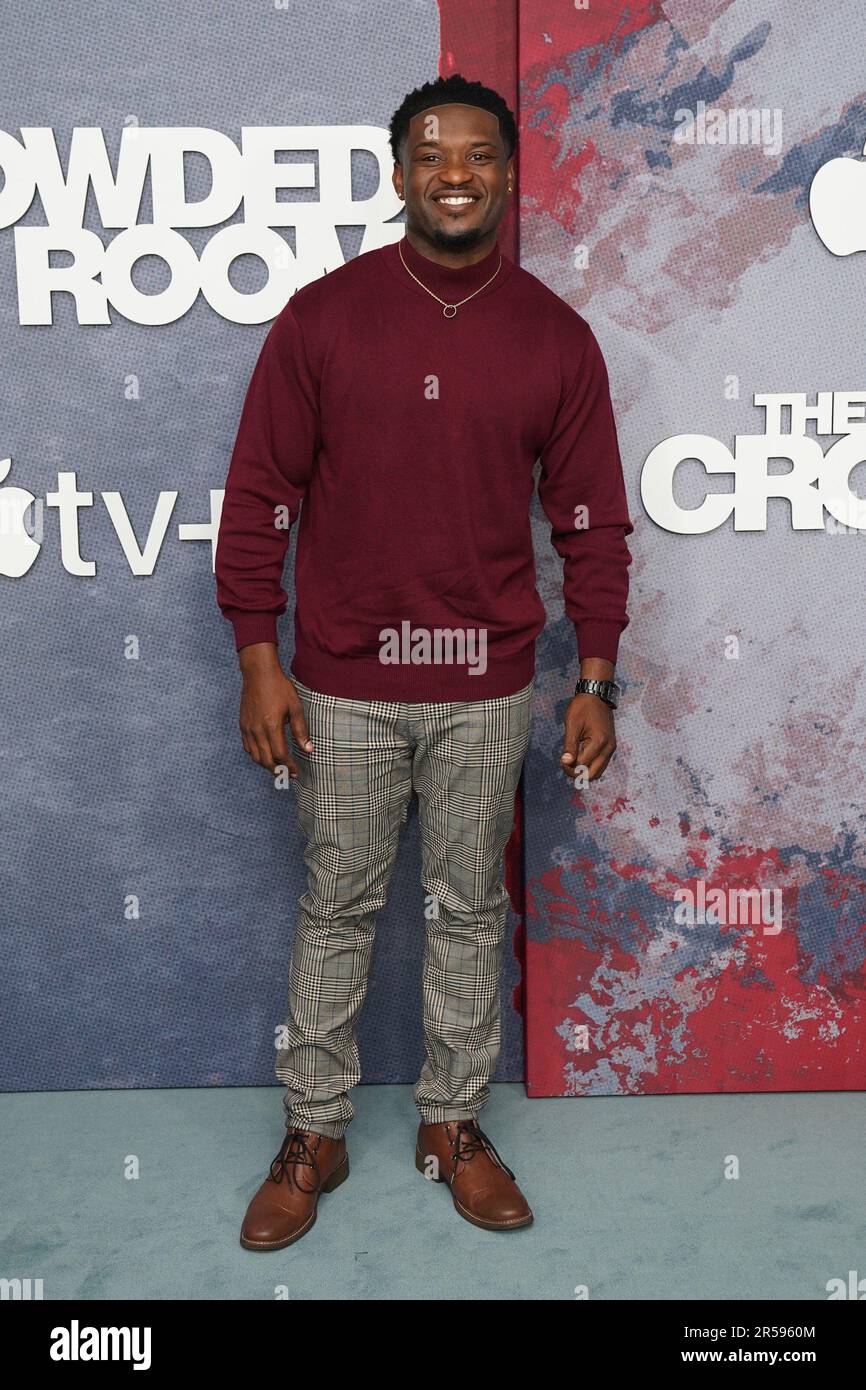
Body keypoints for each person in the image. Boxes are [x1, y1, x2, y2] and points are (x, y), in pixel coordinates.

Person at [215, 73, 633, 1250]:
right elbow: (258, 500)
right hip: (340, 681)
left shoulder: (554, 335)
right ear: (397, 174)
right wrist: (259, 655)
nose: (455, 171)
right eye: (430, 152)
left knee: (466, 910)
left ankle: (451, 1123)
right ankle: (316, 1129)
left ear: (508, 172)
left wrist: (593, 679)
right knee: (337, 908)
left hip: (488, 687)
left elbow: (593, 522)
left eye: (479, 154)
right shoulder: (322, 317)